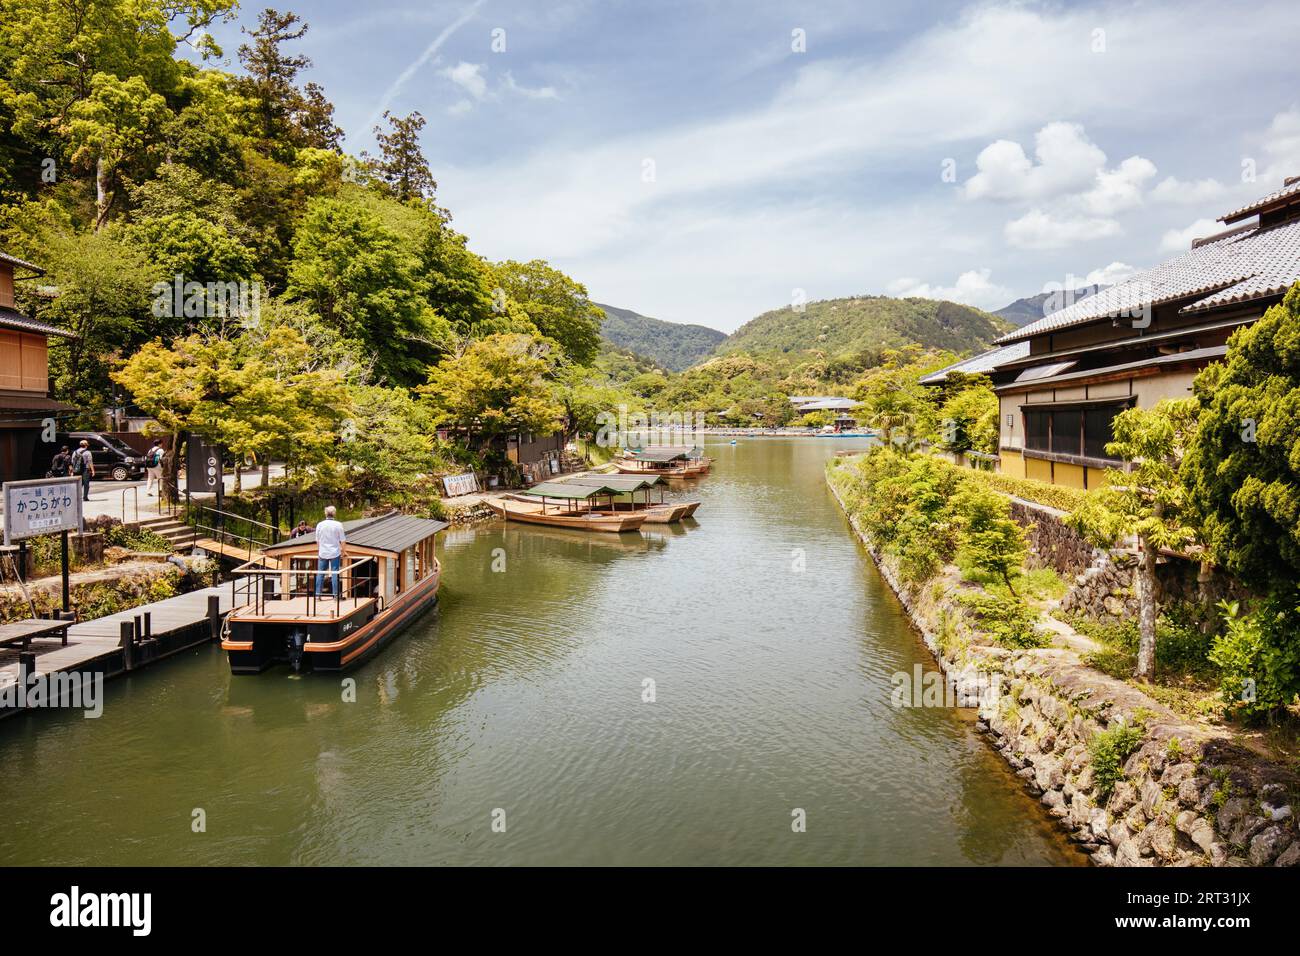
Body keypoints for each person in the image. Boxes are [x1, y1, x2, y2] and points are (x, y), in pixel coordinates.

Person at [313, 506, 346, 597]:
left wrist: (320, 549)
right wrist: (343, 551)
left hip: (322, 552)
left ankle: (317, 595)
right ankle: (335, 595)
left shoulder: (320, 524)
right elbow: (342, 540)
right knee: (335, 573)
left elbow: (317, 540)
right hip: (335, 552)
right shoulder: (338, 524)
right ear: (334, 513)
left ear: (325, 514)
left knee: (321, 573)